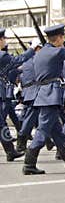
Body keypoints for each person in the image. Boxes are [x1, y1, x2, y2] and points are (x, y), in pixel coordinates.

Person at [23, 24, 65, 175]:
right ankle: (29, 163)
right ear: (59, 38)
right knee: (42, 131)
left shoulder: (40, 53)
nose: (63, 41)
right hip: (50, 95)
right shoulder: (54, 52)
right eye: (62, 38)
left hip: (44, 94)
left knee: (57, 131)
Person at [0, 28, 37, 161]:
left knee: (1, 124)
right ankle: (10, 151)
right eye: (4, 38)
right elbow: (20, 59)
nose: (5, 41)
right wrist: (32, 48)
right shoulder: (2, 56)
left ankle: (10, 151)